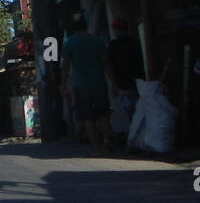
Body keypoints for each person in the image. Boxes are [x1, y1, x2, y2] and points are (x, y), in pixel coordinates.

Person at [62, 13, 109, 150]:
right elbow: (106, 64)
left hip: (81, 85)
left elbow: (65, 67)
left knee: (87, 116)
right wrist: (114, 83)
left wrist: (63, 85)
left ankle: (95, 147)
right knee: (103, 113)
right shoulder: (97, 41)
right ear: (86, 25)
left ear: (74, 27)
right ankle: (107, 140)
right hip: (99, 82)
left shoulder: (69, 43)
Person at [104, 19, 145, 151]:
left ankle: (132, 140)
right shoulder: (135, 43)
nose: (116, 31)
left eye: (117, 29)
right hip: (135, 83)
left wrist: (113, 83)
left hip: (124, 84)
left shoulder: (114, 45)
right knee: (134, 112)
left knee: (127, 114)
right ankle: (134, 140)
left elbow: (109, 66)